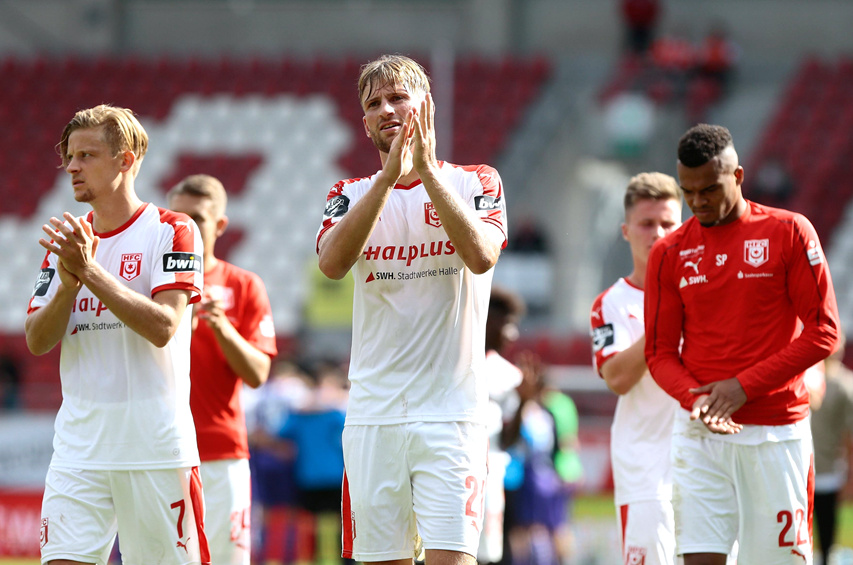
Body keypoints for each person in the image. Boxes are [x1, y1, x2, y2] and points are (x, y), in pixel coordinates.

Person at [316, 54, 508, 565]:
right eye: (373, 104)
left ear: (427, 106)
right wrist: (388, 180)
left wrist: (424, 172)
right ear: (364, 124)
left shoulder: (477, 181)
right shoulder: (348, 193)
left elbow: (481, 256)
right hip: (374, 416)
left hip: (453, 413)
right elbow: (332, 264)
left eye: (398, 98)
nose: (386, 109)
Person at [644, 123, 841, 564]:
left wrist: (743, 387)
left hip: (776, 432)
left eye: (709, 189)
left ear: (738, 176)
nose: (698, 201)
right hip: (700, 434)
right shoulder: (669, 252)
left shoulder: (789, 231)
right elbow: (659, 353)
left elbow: (824, 331)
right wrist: (696, 399)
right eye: (688, 192)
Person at [25, 104, 209, 564]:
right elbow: (37, 340)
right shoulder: (66, 244)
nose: (72, 167)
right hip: (78, 452)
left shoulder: (173, 229)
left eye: (86, 155)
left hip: (156, 451)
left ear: (125, 160)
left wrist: (89, 272)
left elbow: (164, 327)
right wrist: (68, 287)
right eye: (69, 156)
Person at [167, 174, 278, 565]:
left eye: (196, 218)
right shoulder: (148, 284)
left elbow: (258, 374)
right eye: (176, 217)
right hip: (158, 450)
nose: (183, 226)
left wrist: (222, 327)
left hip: (220, 452)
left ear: (220, 225)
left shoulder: (243, 285)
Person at [590, 172, 682, 564]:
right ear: (626, 231)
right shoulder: (611, 303)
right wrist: (667, 315)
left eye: (668, 223)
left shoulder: (706, 292)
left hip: (709, 465)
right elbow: (617, 378)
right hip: (646, 472)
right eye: (646, 223)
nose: (658, 233)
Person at [810, 338, 853, 562]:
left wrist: (849, 476)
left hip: (827, 473)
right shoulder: (807, 378)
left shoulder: (845, 384)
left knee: (824, 540)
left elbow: (849, 436)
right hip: (804, 469)